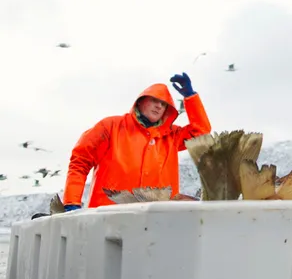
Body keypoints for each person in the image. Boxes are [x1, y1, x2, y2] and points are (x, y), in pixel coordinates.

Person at [62, 72, 212, 210]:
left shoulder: (172, 136)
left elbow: (201, 132)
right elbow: (80, 162)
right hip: (108, 217)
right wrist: (72, 202)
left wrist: (190, 97)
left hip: (157, 219)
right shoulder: (110, 126)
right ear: (140, 102)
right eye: (154, 100)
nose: (159, 106)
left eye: (164, 104)